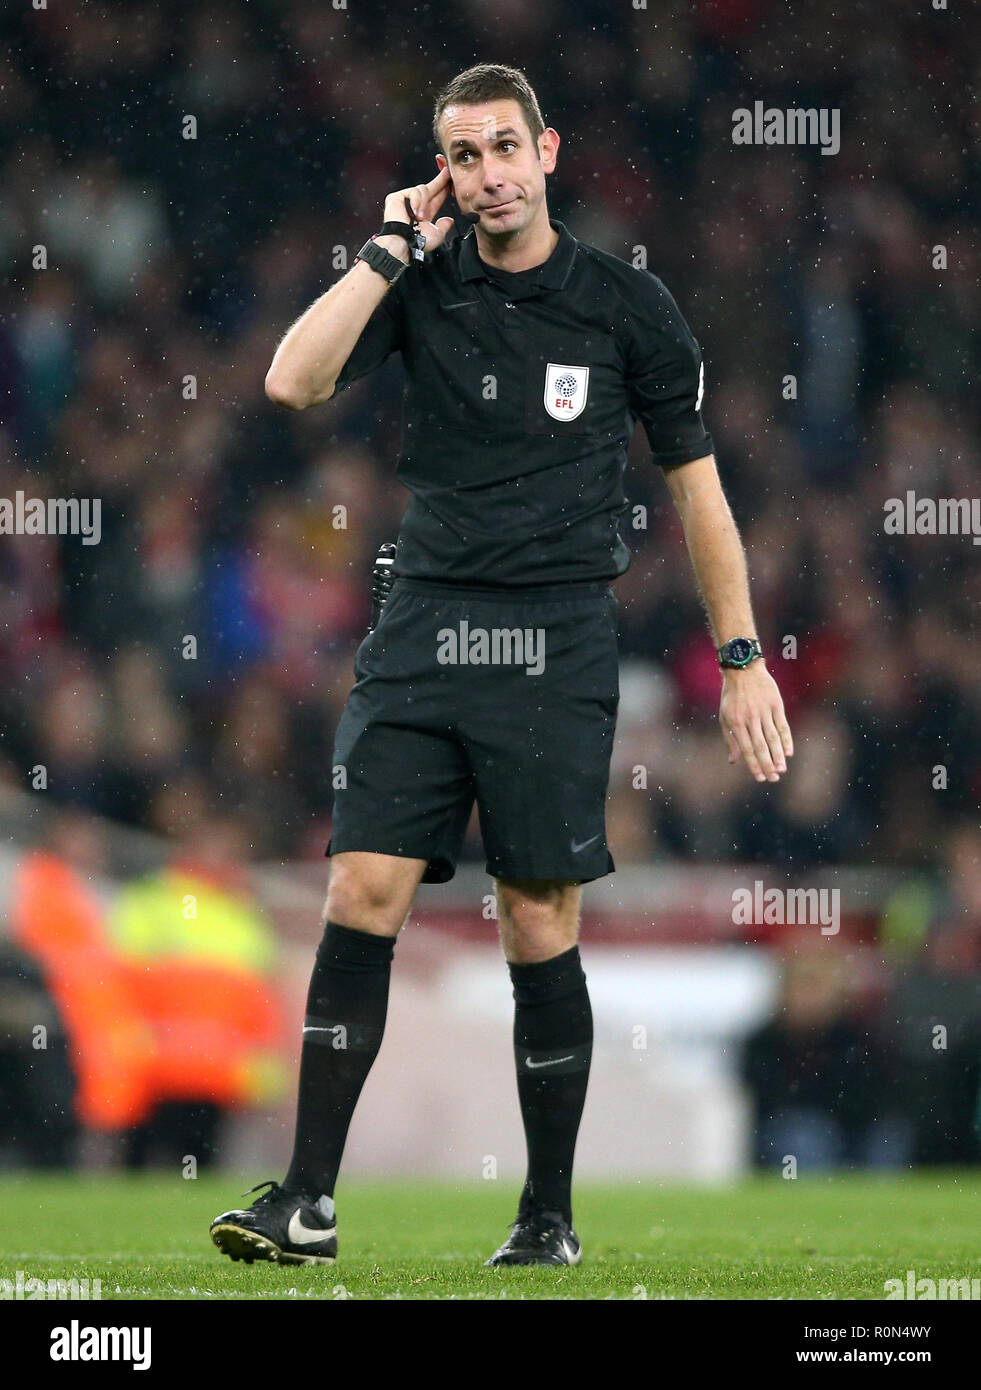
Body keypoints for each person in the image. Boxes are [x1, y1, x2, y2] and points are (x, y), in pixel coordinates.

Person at [211, 63, 792, 1269]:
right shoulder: (420, 283)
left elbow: (702, 497)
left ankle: (546, 1216)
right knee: (360, 890)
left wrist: (743, 657)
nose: (485, 176)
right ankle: (307, 1204)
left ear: (548, 152)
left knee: (536, 917)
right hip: (422, 623)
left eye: (502, 150)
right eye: (462, 157)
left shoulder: (630, 309)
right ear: (446, 173)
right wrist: (383, 253)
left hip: (557, 633)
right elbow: (291, 381)